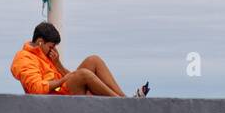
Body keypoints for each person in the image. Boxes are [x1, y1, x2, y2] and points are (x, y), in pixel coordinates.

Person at [10, 21, 149, 97]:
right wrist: (64, 80)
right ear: (40, 42)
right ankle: (120, 103)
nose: (53, 50)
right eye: (51, 46)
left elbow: (66, 77)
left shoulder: (45, 55)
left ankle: (125, 100)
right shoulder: (24, 58)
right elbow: (36, 89)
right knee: (83, 74)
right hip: (53, 99)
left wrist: (58, 64)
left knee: (93, 60)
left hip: (61, 90)